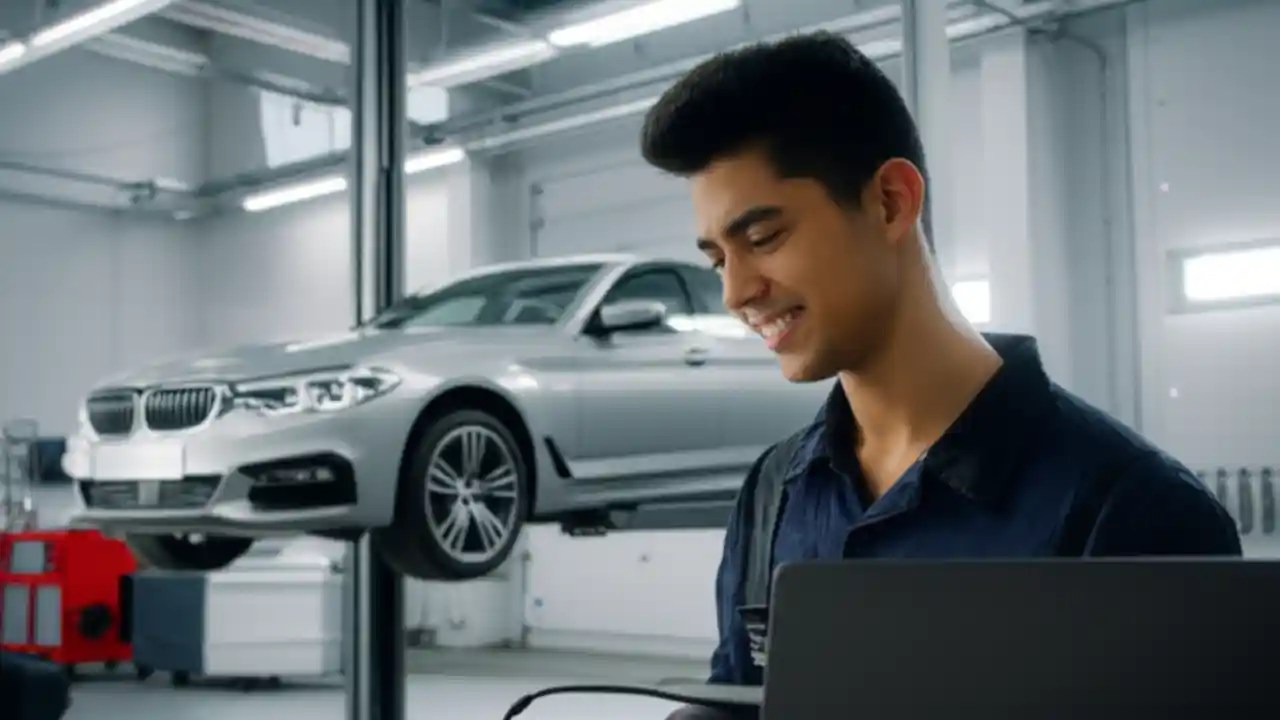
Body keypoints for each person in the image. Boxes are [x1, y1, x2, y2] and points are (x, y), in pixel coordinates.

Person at [638, 31, 1241, 718]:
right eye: (718, 259)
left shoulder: (1135, 514)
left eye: (763, 239)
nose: (735, 292)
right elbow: (739, 701)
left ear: (891, 201)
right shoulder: (775, 491)